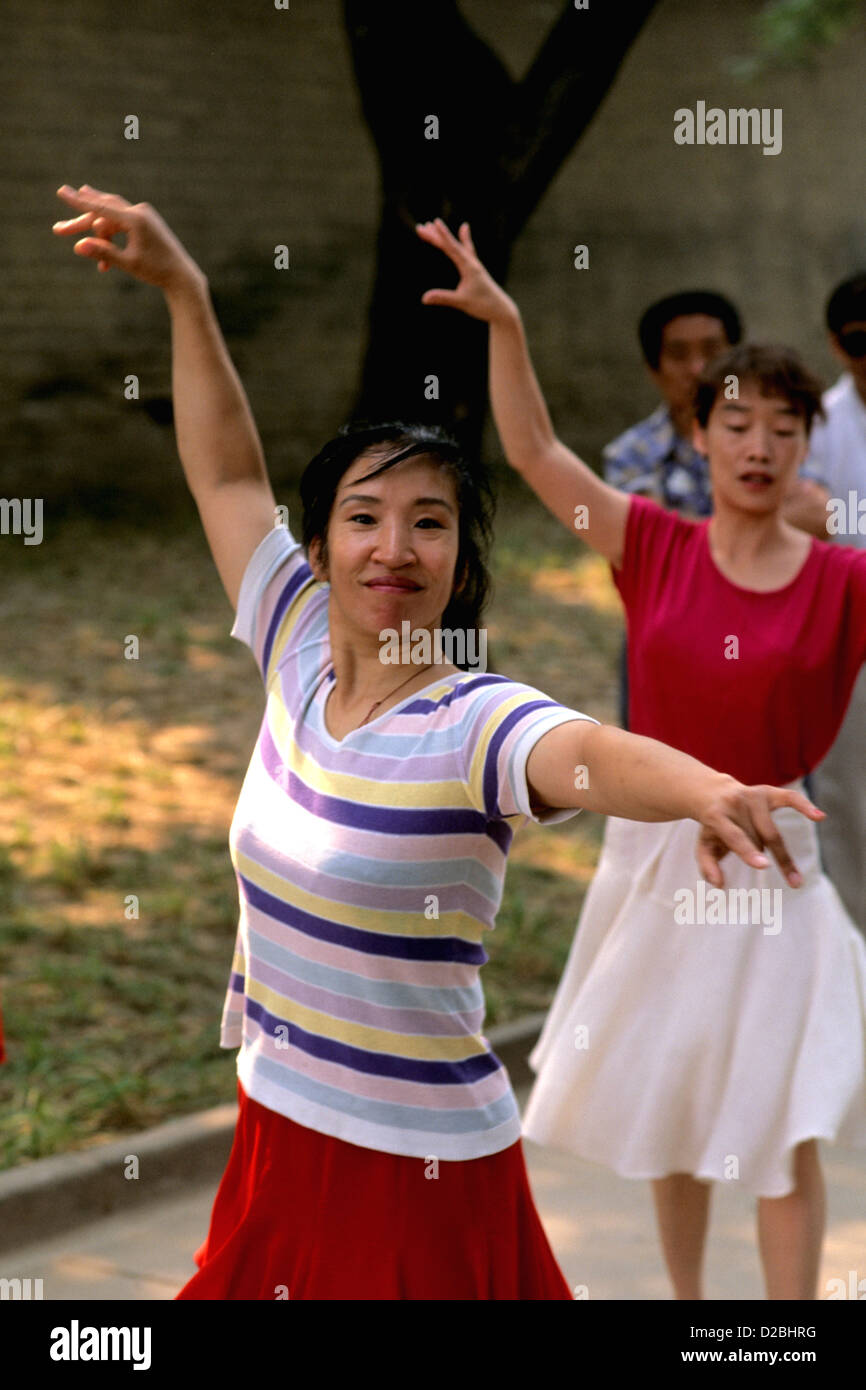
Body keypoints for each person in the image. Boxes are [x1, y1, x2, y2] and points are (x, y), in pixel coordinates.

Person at [52, 184, 819, 1302]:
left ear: (460, 564)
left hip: (414, 1165)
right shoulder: (294, 639)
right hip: (277, 1123)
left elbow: (587, 753)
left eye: (431, 522)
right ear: (316, 547)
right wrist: (186, 291)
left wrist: (703, 789)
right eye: (364, 516)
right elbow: (223, 473)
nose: (393, 547)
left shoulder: (474, 719)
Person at [416, 216, 866, 1301]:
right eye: (736, 423)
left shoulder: (843, 579)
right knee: (677, 1112)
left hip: (771, 862)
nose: (757, 446)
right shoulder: (648, 543)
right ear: (698, 438)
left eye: (781, 429)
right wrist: (506, 325)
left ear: (806, 446)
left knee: (780, 1120)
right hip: (654, 854)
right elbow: (532, 455)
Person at [604, 291, 829, 729]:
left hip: (769, 643)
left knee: (779, 786)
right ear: (653, 368)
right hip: (664, 648)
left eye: (712, 351)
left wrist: (688, 535)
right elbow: (647, 553)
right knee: (656, 781)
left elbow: (820, 519)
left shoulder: (781, 434)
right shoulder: (629, 454)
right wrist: (763, 526)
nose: (697, 368)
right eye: (678, 354)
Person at [805, 273, 866, 938]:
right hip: (851, 644)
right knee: (852, 813)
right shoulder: (819, 427)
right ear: (836, 344)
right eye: (859, 342)